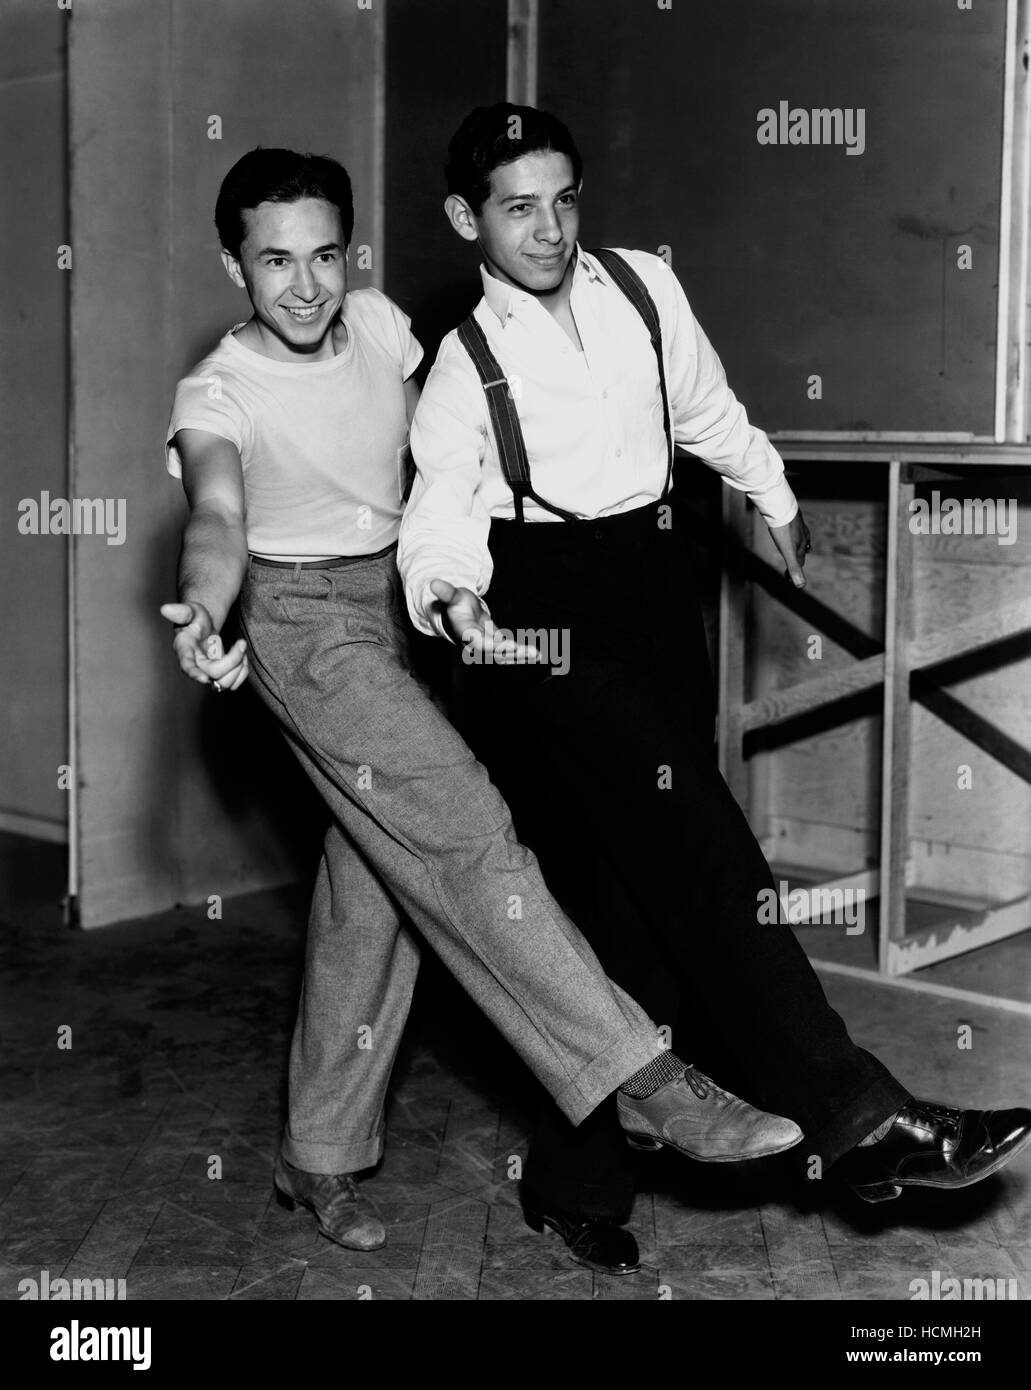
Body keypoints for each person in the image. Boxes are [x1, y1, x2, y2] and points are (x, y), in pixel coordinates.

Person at [396, 103, 1031, 1276]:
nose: (547, 228)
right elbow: (437, 514)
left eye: (563, 197)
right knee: (695, 834)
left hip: (651, 583)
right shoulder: (461, 364)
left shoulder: (642, 289)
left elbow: (705, 409)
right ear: (465, 219)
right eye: (515, 207)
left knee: (623, 906)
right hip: (529, 621)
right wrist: (447, 594)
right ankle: (855, 1110)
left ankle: (573, 1178)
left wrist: (772, 495)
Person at [159, 147, 804, 1261]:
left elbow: (439, 463)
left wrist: (468, 576)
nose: (305, 286)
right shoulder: (218, 392)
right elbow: (217, 516)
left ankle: (316, 1156)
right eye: (274, 262)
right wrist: (206, 608)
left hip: (402, 599)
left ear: (349, 255)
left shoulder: (380, 327)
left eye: (324, 255)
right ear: (234, 266)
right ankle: (642, 1075)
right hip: (303, 620)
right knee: (463, 829)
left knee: (375, 884)